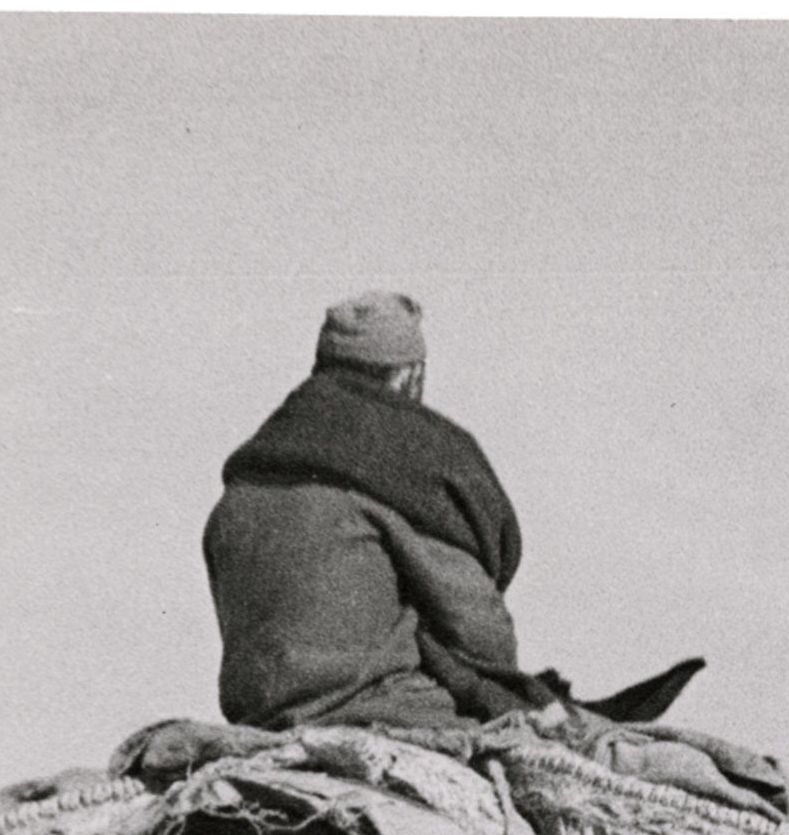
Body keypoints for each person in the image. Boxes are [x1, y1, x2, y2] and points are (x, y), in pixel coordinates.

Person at [205, 290, 539, 733]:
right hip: (382, 710)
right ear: (407, 376)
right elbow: (480, 633)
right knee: (570, 733)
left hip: (262, 716)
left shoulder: (246, 481)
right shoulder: (401, 472)